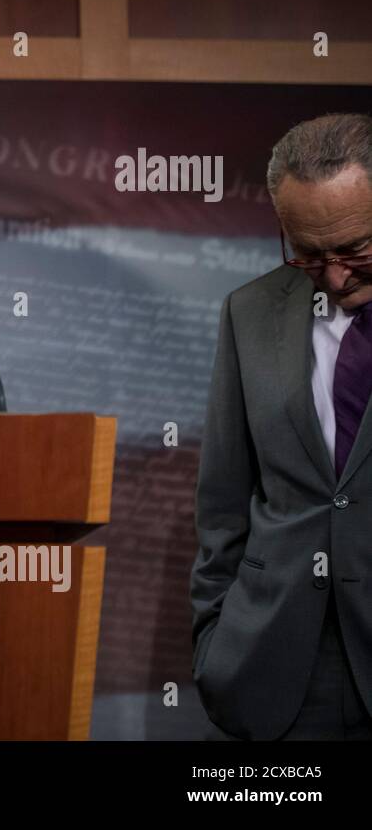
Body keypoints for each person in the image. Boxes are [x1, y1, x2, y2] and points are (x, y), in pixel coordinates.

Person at [192, 113, 372, 739]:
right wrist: (216, 641)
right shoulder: (248, 313)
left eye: (355, 250)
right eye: (307, 254)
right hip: (279, 670)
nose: (334, 276)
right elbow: (222, 501)